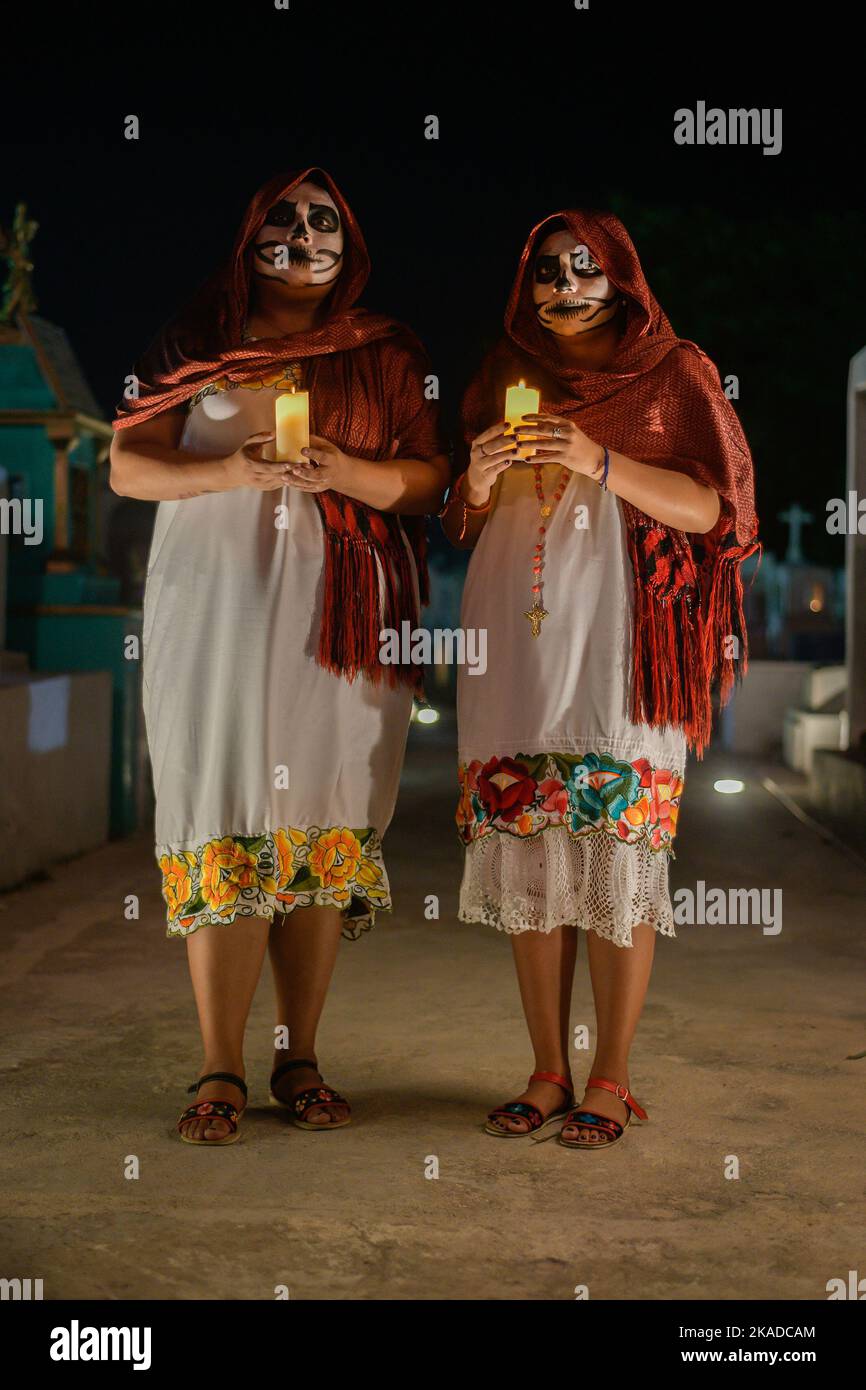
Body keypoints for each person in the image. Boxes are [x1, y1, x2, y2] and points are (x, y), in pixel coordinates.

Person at [111, 168, 448, 1145]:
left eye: (323, 219)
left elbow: (429, 481)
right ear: (247, 232)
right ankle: (219, 1064)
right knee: (224, 809)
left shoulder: (384, 352)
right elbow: (128, 463)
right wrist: (229, 468)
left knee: (320, 818)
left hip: (341, 620)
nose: (302, 232)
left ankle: (297, 1055)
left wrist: (345, 470)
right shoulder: (194, 337)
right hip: (214, 609)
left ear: (351, 244)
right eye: (283, 216)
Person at [441, 210, 758, 1149]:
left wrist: (598, 458)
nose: (563, 287)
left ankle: (612, 1078)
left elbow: (718, 509)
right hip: (511, 630)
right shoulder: (505, 372)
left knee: (618, 842)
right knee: (530, 839)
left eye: (585, 270)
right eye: (546, 271)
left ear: (622, 279)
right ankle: (546, 1071)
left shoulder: (676, 371)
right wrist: (478, 481)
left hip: (623, 632)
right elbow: (460, 526)